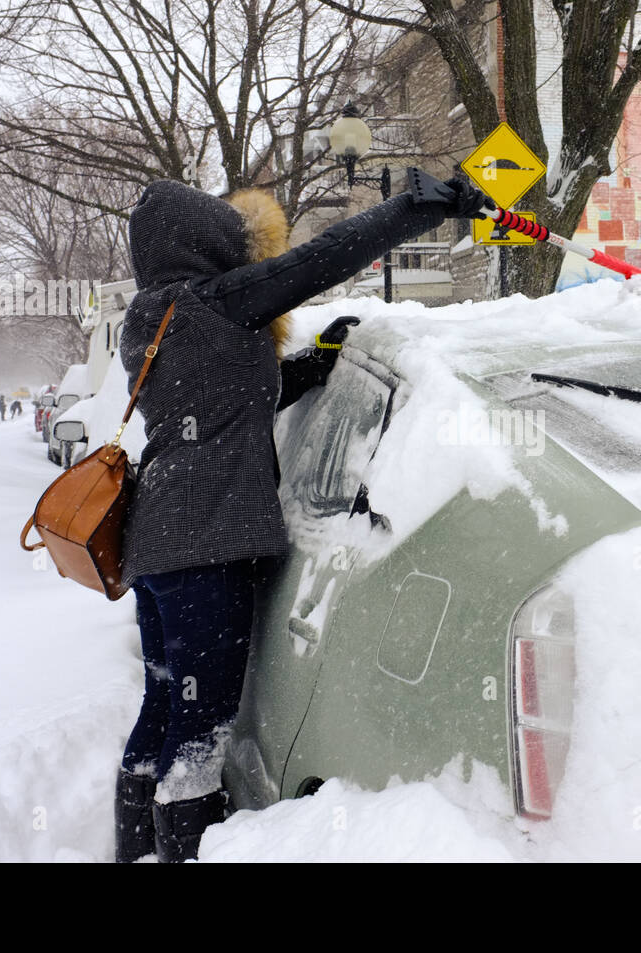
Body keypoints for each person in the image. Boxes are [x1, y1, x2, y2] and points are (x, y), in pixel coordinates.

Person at [114, 169, 491, 863]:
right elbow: (325, 257)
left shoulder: (149, 318)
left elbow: (227, 400)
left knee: (163, 709)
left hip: (155, 544)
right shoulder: (217, 301)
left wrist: (312, 366)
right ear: (202, 244)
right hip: (205, 548)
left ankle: (132, 849)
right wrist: (417, 205)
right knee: (200, 731)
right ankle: (180, 851)